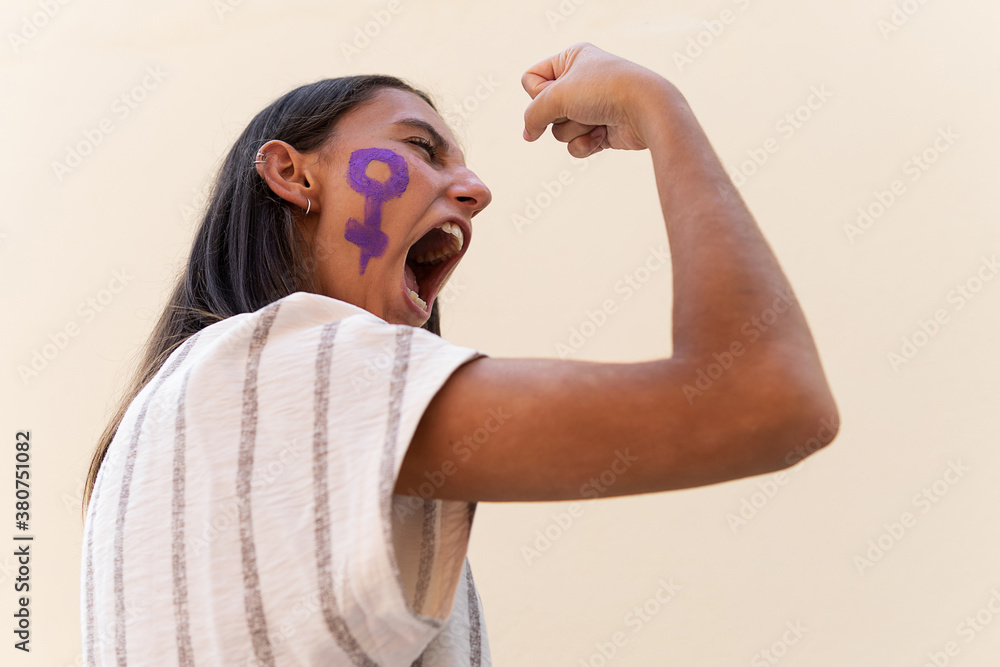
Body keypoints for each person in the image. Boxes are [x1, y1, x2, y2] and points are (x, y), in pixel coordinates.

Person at [79, 43, 839, 666]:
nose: (474, 189)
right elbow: (770, 399)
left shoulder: (162, 429)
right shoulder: (292, 363)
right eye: (419, 147)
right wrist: (661, 109)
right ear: (292, 173)